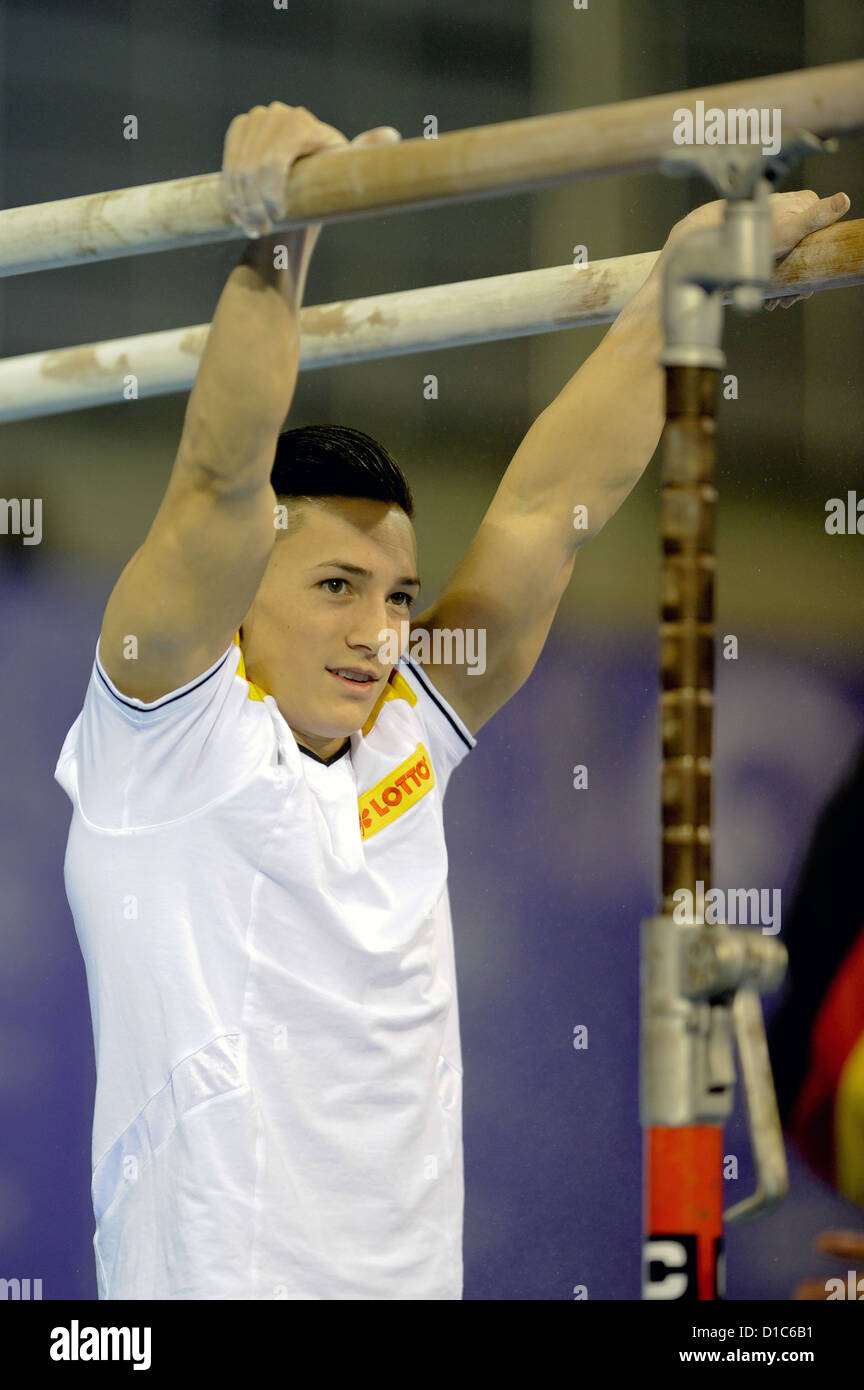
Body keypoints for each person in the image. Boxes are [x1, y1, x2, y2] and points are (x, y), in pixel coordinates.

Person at [54, 101, 850, 1300]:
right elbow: (218, 480)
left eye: (398, 596)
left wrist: (683, 294)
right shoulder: (160, 744)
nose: (378, 633)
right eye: (334, 586)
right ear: (237, 594)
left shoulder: (399, 741)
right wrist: (276, 234)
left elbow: (546, 509)